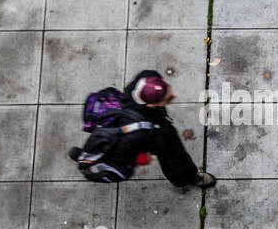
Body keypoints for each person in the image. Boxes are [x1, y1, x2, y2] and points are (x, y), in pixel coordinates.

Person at [69, 70, 217, 188]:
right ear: (151, 105)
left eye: (168, 90)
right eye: (167, 99)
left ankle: (84, 154)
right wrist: (140, 158)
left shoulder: (147, 77)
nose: (173, 95)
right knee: (173, 154)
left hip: (144, 124)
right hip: (152, 134)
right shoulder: (138, 131)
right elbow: (123, 151)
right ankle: (188, 177)